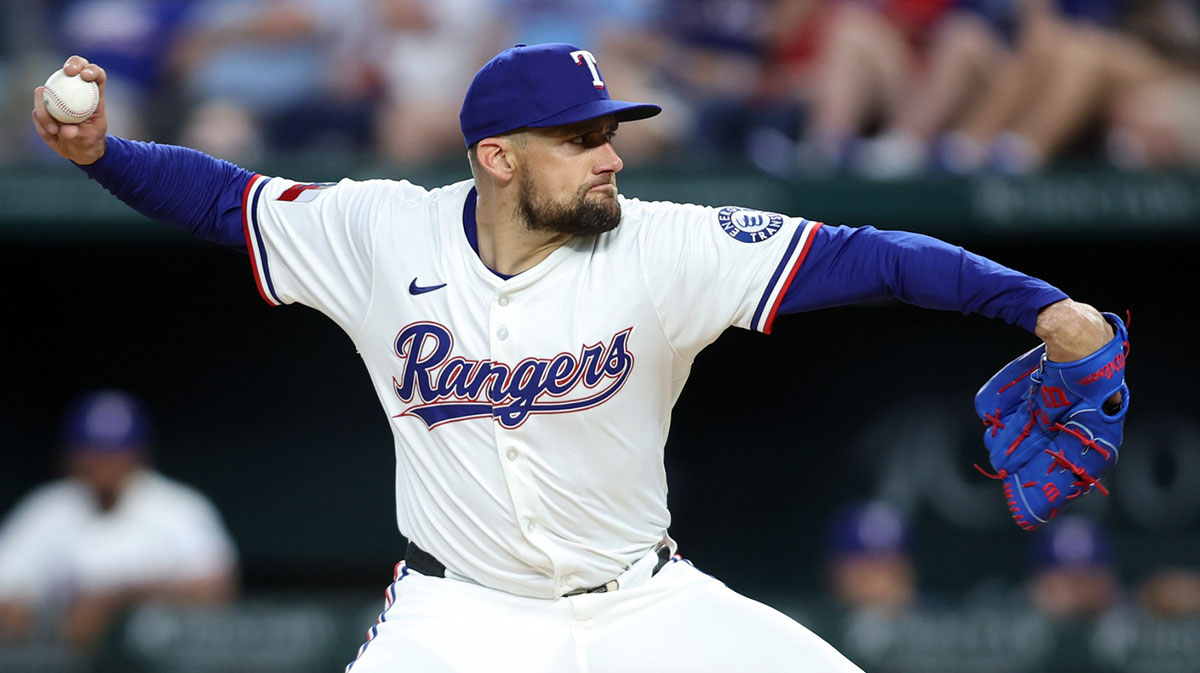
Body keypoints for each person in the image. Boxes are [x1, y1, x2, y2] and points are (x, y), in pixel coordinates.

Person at [31, 43, 1120, 672]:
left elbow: (874, 256)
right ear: (498, 158)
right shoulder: (380, 231)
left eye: (610, 134)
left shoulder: (664, 244)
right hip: (464, 614)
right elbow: (225, 200)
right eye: (581, 139)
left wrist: (1040, 306)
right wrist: (100, 154)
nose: (610, 158)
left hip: (649, 605)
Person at [0, 390, 238, 649]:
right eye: (93, 449)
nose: (103, 461)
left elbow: (218, 586)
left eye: (114, 450)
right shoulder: (47, 511)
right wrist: (43, 621)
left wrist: (115, 601)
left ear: (140, 454)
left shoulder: (178, 508)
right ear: (70, 455)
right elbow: (8, 592)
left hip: (163, 657)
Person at [825, 501, 917, 615]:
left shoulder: (937, 624)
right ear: (833, 572)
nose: (876, 582)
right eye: (862, 570)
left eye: (888, 568)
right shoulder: (804, 624)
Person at [1027, 515, 1119, 619]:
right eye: (1068, 581)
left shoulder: (1122, 625)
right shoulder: (1019, 623)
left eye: (1087, 579)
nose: (1075, 596)